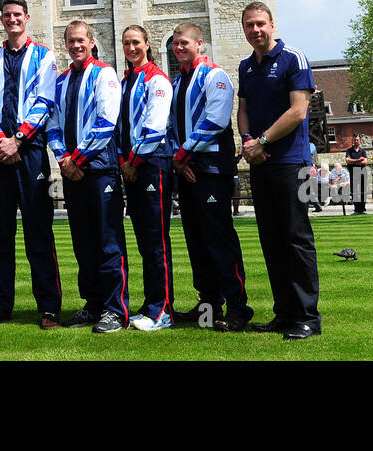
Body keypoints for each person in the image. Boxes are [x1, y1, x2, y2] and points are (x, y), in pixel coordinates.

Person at [0, 0, 62, 329]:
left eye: (17, 15)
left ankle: (49, 308)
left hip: (30, 151)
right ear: (2, 20)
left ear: (27, 18)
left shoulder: (44, 56)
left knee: (38, 230)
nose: (12, 20)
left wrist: (19, 139)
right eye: (7, 15)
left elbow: (44, 100)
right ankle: (0, 306)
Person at [237, 1, 322, 340]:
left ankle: (307, 317)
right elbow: (242, 109)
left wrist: (262, 140)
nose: (255, 30)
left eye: (260, 23)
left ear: (272, 24)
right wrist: (247, 141)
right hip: (260, 163)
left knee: (296, 239)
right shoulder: (245, 66)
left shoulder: (293, 59)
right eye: (249, 25)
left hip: (290, 163)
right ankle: (284, 313)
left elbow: (299, 111)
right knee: (271, 240)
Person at [170, 22, 251, 333]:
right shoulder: (178, 83)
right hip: (187, 170)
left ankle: (238, 307)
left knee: (219, 238)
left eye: (185, 42)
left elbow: (215, 121)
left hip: (211, 170)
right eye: (176, 43)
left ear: (199, 43)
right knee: (196, 241)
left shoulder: (214, 76)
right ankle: (208, 306)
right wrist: (178, 161)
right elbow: (170, 126)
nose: (179, 47)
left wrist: (182, 154)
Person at [51, 20, 128, 334]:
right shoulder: (62, 80)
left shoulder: (105, 73)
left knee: (107, 241)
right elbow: (53, 123)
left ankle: (114, 309)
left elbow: (106, 121)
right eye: (70, 41)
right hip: (73, 171)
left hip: (100, 170)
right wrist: (63, 158)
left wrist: (76, 158)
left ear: (92, 42)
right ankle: (93, 304)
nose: (76, 45)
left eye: (81, 40)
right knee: (83, 242)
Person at [117, 24, 175, 332]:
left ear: (147, 44)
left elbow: (155, 126)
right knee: (144, 240)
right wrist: (124, 161)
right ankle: (154, 301)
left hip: (152, 164)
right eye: (126, 43)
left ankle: (162, 309)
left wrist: (133, 162)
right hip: (132, 166)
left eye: (136, 42)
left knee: (156, 240)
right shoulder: (127, 81)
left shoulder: (157, 78)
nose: (131, 48)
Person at [344, 134, 369, 214]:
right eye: (355, 140)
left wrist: (353, 161)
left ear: (360, 141)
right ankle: (356, 209)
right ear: (353, 141)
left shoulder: (363, 151)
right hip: (353, 172)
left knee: (363, 191)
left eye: (357, 140)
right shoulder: (349, 150)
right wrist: (358, 160)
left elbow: (365, 162)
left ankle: (362, 209)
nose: (356, 141)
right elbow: (347, 160)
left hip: (362, 172)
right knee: (354, 191)